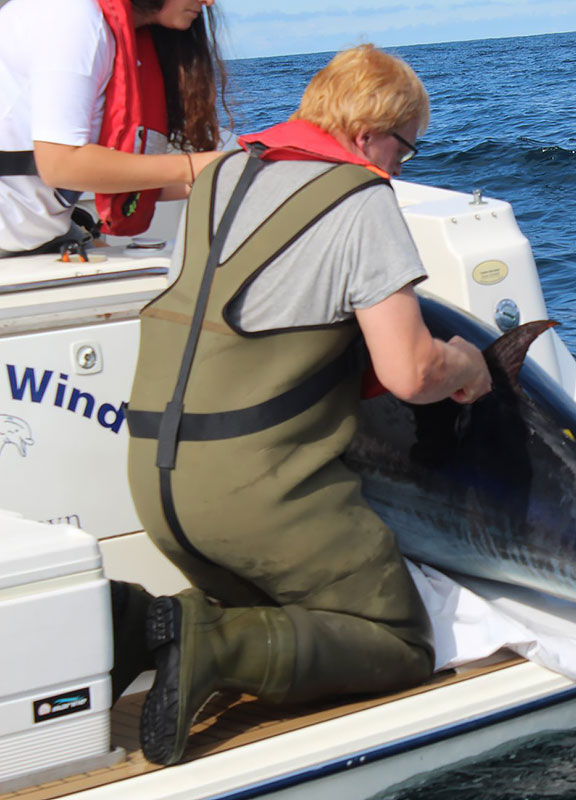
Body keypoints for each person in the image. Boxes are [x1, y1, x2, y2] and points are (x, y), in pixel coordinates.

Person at [124, 44, 493, 766]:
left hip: (157, 483)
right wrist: (467, 365)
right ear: (367, 137)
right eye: (403, 148)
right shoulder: (360, 198)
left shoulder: (223, 173)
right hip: (255, 498)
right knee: (396, 642)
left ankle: (149, 620)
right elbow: (411, 370)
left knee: (284, 597)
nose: (398, 167)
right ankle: (216, 641)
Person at [0, 0, 228, 256]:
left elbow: (127, 176)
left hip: (35, 236)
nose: (209, 1)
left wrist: (231, 167)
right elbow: (59, 165)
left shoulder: (108, 29)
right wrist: (195, 165)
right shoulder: (72, 15)